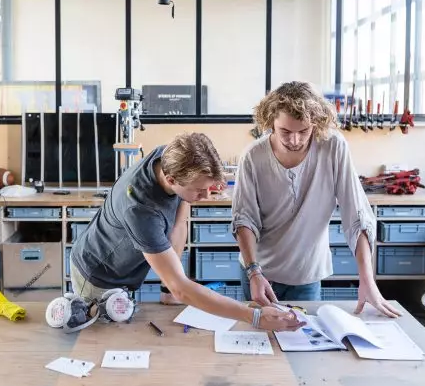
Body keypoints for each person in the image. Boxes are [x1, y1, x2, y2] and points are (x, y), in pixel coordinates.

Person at [70, 132, 304, 332]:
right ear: (171, 180)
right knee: (102, 345)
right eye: (200, 190)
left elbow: (179, 223)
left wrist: (168, 286)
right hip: (98, 276)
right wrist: (253, 317)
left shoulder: (170, 156)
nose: (206, 196)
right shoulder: (141, 210)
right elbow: (181, 289)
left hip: (123, 272)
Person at [232, 81, 401, 318]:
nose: (294, 140)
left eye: (303, 131)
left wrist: (367, 278)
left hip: (306, 275)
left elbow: (357, 215)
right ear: (271, 121)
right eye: (285, 132)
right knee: (261, 344)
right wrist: (253, 272)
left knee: (303, 342)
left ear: (316, 123)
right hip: (258, 272)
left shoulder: (333, 147)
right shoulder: (253, 156)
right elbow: (244, 219)